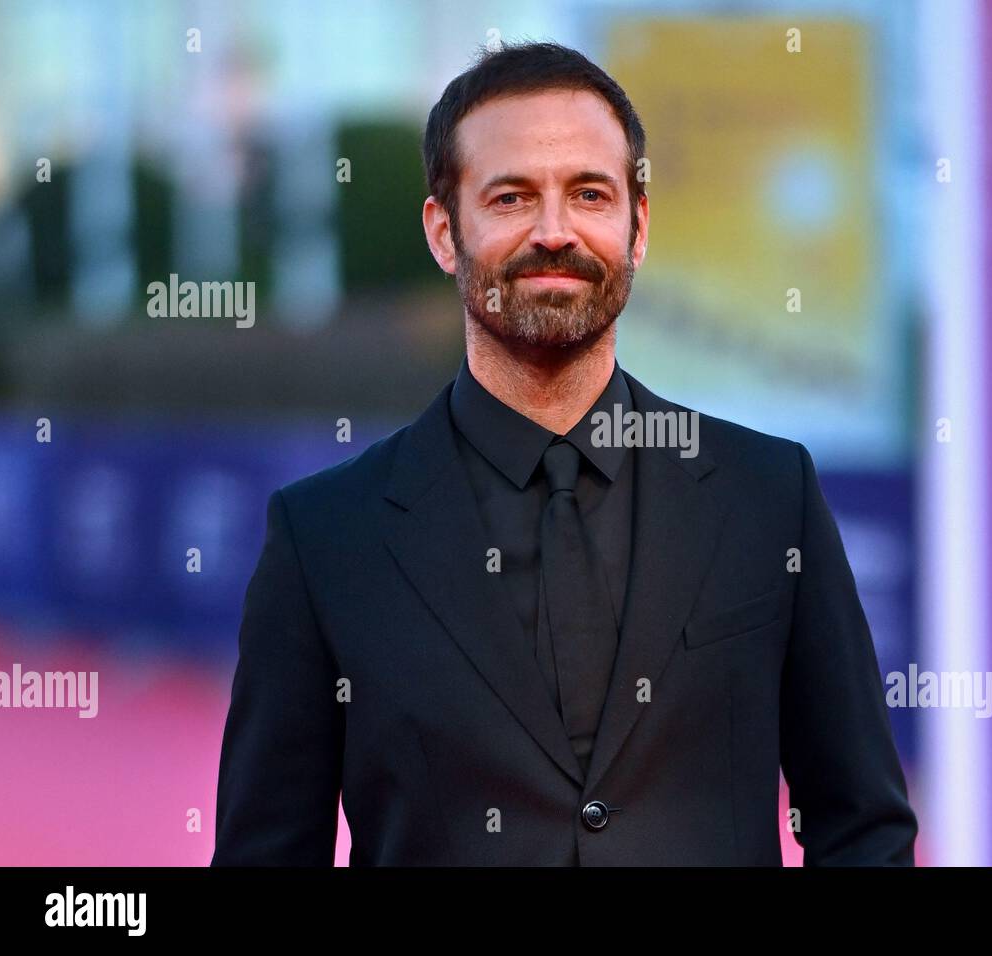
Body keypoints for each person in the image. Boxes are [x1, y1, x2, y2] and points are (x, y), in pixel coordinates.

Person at [211, 40, 917, 866]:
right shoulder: (325, 538)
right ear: (445, 231)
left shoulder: (768, 497)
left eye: (589, 193)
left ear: (637, 224)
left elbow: (862, 824)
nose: (555, 231)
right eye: (511, 197)